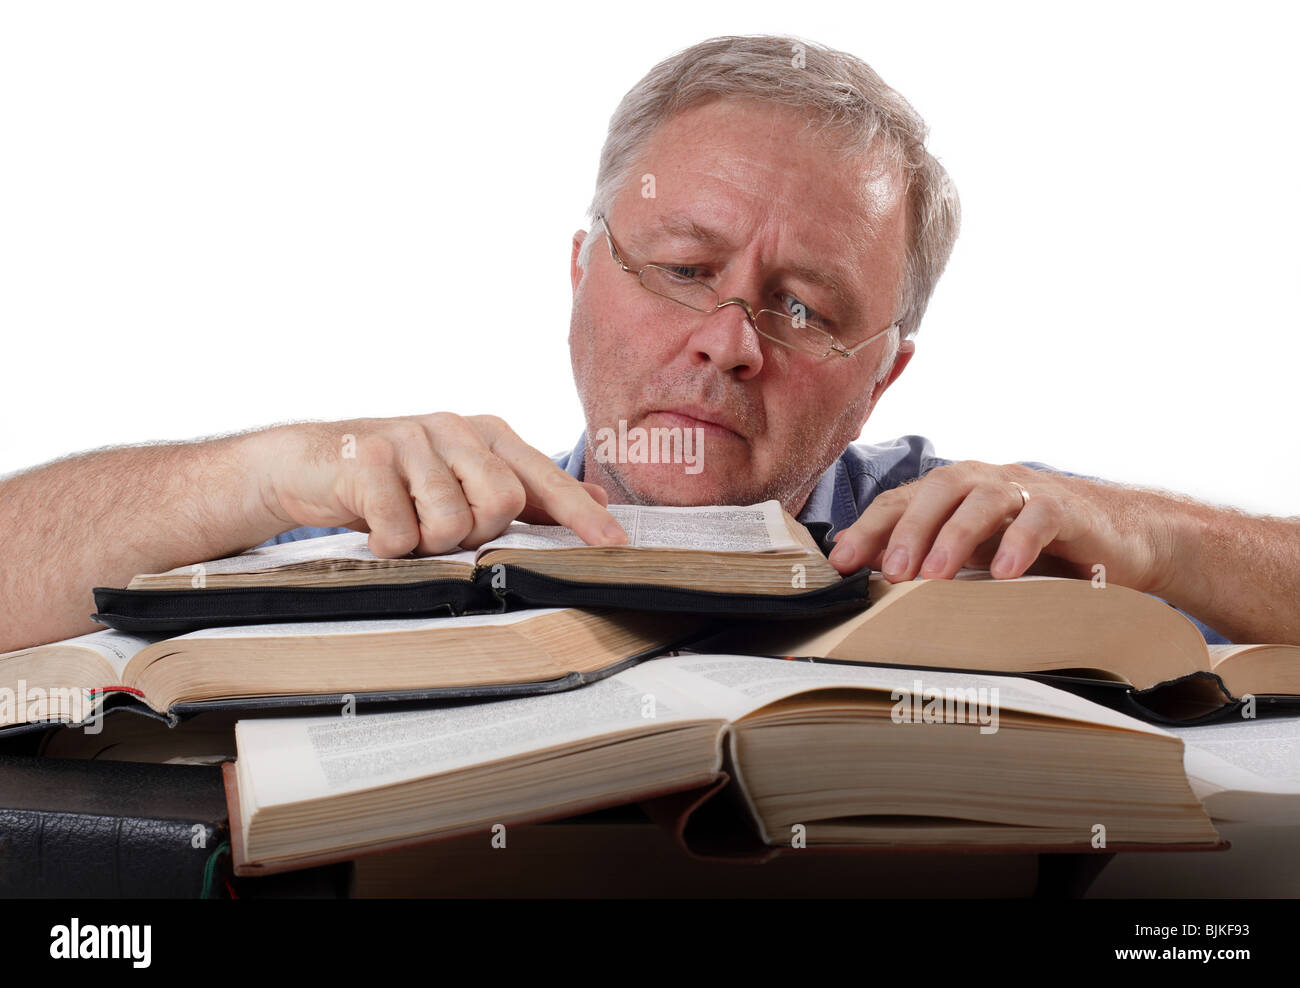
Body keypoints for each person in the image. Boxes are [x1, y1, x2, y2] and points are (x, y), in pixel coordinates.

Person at [1, 34, 1295, 655]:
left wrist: (1148, 533)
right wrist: (252, 477)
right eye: (684, 271)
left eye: (802, 308)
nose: (730, 341)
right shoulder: (404, 513)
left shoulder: (979, 541)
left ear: (883, 374)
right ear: (580, 274)